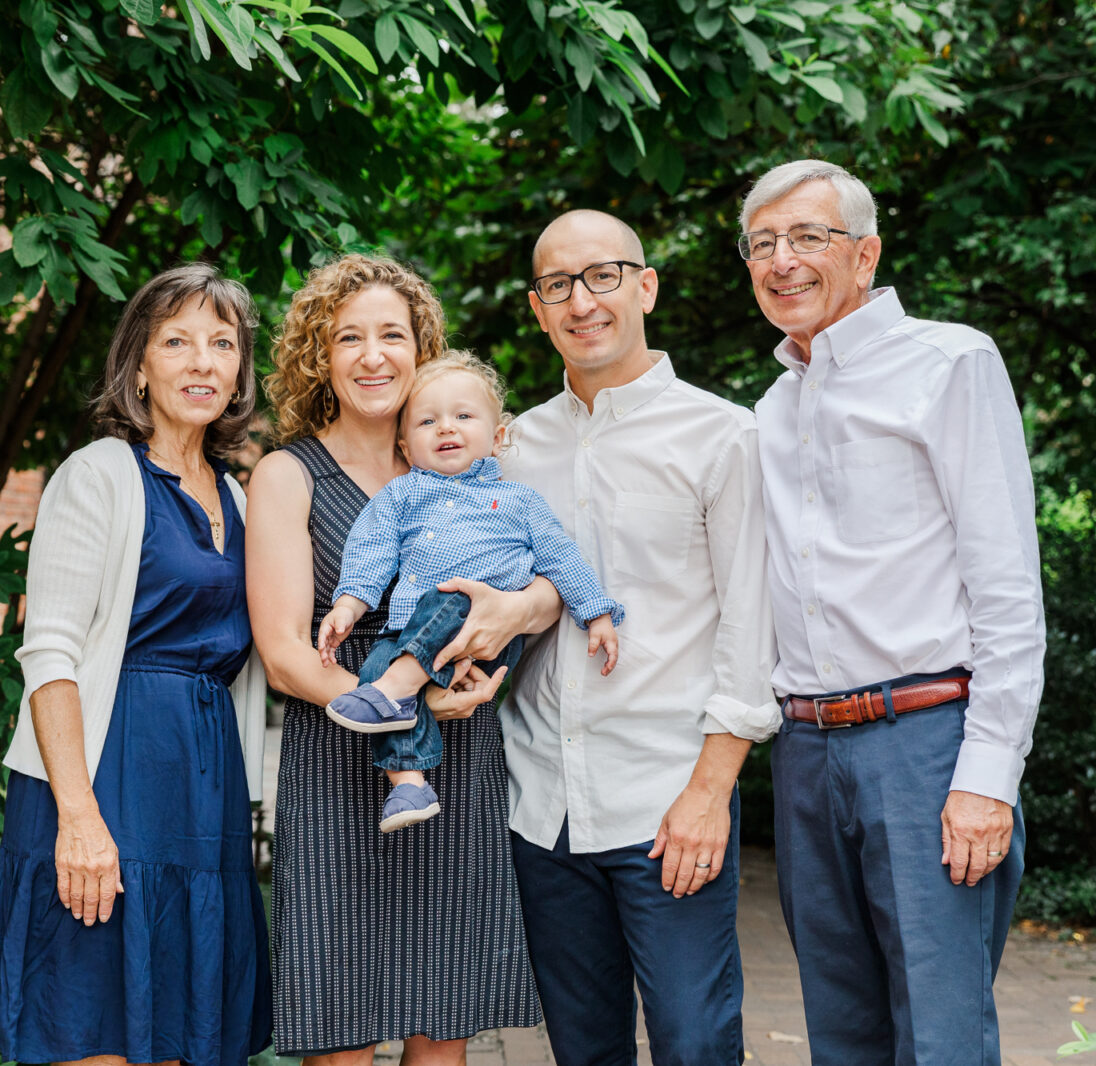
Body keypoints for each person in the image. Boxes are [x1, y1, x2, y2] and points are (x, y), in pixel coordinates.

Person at [740, 159, 1045, 1066]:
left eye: (808, 237)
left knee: (942, 1037)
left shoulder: (949, 361)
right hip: (803, 754)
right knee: (843, 1037)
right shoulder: (770, 406)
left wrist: (989, 774)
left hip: (926, 746)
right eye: (762, 244)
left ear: (865, 254)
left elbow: (1007, 588)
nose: (782, 260)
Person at [0, 263, 272, 1066]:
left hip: (203, 790)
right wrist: (78, 815)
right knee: (93, 1031)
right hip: (105, 776)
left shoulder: (240, 498)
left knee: (177, 1035)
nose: (202, 362)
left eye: (222, 344)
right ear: (138, 365)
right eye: (177, 342)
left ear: (239, 371)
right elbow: (49, 651)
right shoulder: (97, 476)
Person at [246, 255, 548, 1065]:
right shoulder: (288, 472)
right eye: (349, 337)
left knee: (442, 1026)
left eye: (392, 334)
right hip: (339, 759)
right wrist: (399, 703)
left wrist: (490, 669)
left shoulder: (460, 465)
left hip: (455, 757)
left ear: (422, 350)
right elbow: (282, 654)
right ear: (321, 354)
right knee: (339, 1034)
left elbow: (528, 587)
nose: (373, 354)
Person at [498, 210, 778, 1066]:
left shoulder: (724, 435)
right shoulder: (510, 448)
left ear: (645, 285)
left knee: (696, 1044)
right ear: (538, 309)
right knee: (584, 1051)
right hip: (540, 805)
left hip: (667, 804)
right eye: (558, 286)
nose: (582, 301)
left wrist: (710, 791)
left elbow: (751, 625)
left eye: (603, 276)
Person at [319, 350, 623, 833]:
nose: (446, 428)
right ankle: (408, 782)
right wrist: (349, 604)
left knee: (453, 599)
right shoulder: (401, 496)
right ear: (405, 444)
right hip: (412, 634)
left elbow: (561, 558)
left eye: (463, 416)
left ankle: (398, 689)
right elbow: (372, 549)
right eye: (427, 421)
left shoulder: (519, 501)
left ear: (498, 436)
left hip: (484, 636)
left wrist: (597, 613)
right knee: (374, 668)